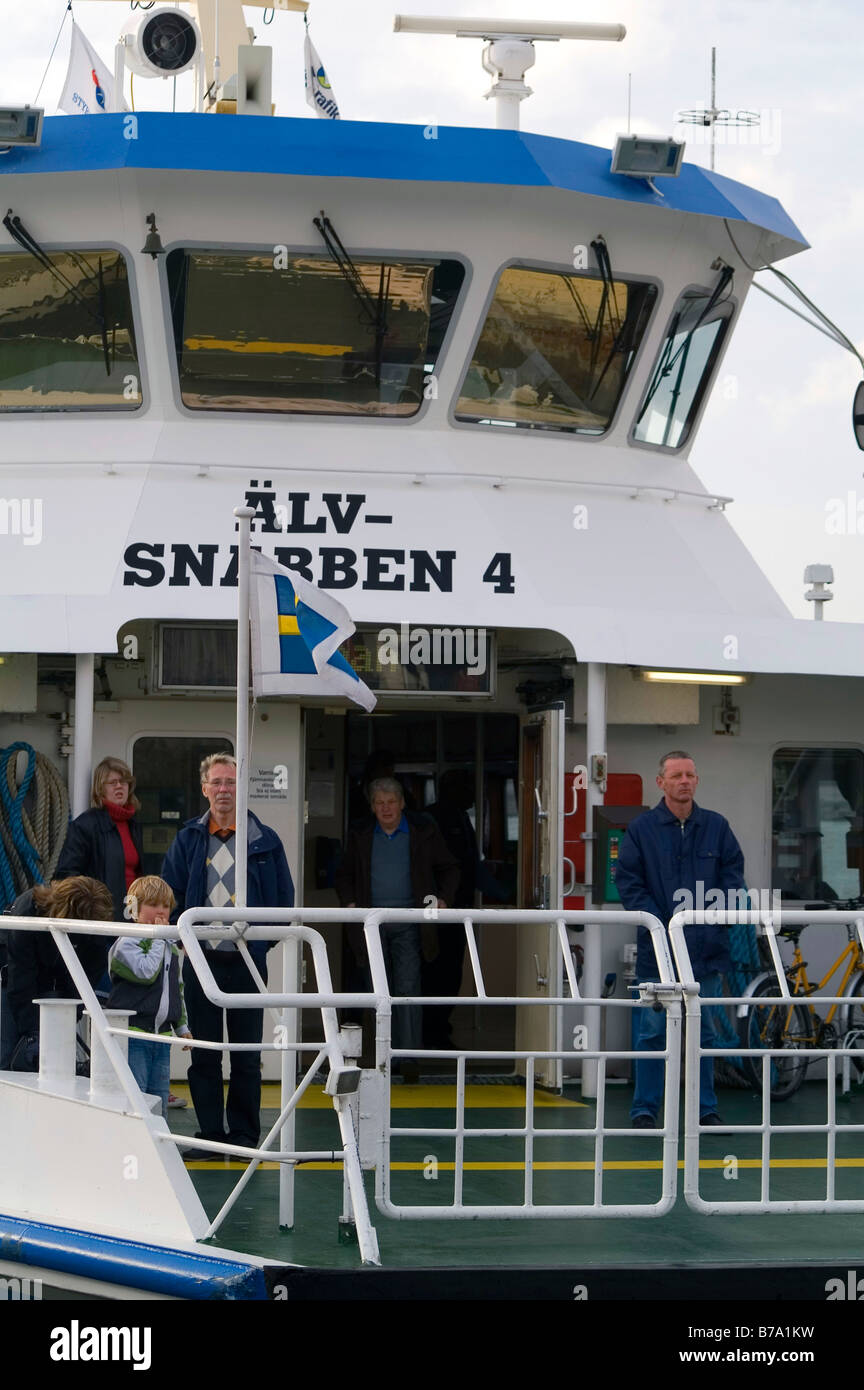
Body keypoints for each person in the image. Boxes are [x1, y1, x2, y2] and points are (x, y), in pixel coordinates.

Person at [161, 753, 294, 1158]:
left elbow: (283, 902)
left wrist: (259, 946)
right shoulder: (188, 839)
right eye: (216, 782)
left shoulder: (265, 840)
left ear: (241, 788)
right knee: (203, 1054)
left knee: (246, 1056)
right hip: (202, 963)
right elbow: (172, 894)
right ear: (204, 789)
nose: (224, 790)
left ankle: (243, 1138)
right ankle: (211, 1136)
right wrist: (187, 944)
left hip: (248, 965)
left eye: (231, 783)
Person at [614, 750, 746, 1129]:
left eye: (689, 774)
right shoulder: (641, 830)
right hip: (657, 952)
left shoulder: (717, 828)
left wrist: (712, 922)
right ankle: (645, 1110)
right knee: (652, 1033)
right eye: (676, 775)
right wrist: (663, 924)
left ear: (696, 780)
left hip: (705, 950)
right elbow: (629, 882)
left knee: (702, 1033)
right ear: (661, 783)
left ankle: (705, 1109)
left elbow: (732, 878)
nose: (684, 781)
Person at [334, 777, 459, 1061]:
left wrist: (443, 899)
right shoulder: (360, 834)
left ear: (402, 804)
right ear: (372, 807)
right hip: (370, 925)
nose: (386, 808)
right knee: (377, 992)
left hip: (409, 923)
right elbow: (343, 875)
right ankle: (379, 1059)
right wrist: (350, 901)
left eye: (391, 802)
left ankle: (409, 1060)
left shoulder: (423, 832)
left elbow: (450, 868)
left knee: (407, 990)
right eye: (380, 803)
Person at [5, 876, 115, 1067]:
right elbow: (20, 976)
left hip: (55, 981)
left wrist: (73, 1013)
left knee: (58, 1055)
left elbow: (88, 975)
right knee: (6, 1051)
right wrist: (31, 1031)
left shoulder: (93, 925)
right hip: (12, 979)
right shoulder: (27, 914)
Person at [107, 875, 191, 1118]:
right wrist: (158, 939)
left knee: (158, 1096)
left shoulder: (168, 944)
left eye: (166, 906)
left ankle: (158, 1143)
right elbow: (144, 972)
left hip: (161, 1035)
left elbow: (177, 987)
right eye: (153, 905)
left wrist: (181, 1025)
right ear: (134, 907)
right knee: (137, 1096)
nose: (161, 911)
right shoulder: (127, 942)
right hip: (134, 1034)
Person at [55, 758, 143, 922]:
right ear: (100, 789)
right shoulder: (85, 826)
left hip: (132, 910)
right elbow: (67, 875)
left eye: (124, 782)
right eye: (112, 782)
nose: (119, 786)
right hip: (101, 915)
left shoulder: (133, 825)